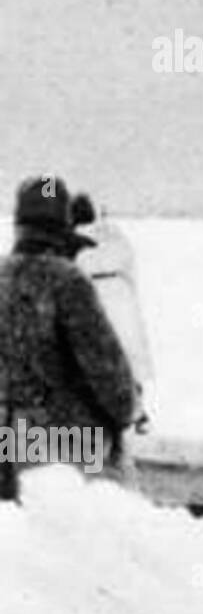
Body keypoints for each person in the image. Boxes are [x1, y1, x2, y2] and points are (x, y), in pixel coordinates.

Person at [0, 177, 139, 501]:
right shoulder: (67, 281)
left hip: (7, 437)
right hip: (60, 440)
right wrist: (125, 412)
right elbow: (108, 372)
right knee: (103, 521)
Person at [69, 193, 157, 427]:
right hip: (121, 299)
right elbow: (127, 263)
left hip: (93, 298)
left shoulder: (70, 241)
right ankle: (138, 414)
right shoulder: (115, 236)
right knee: (129, 358)